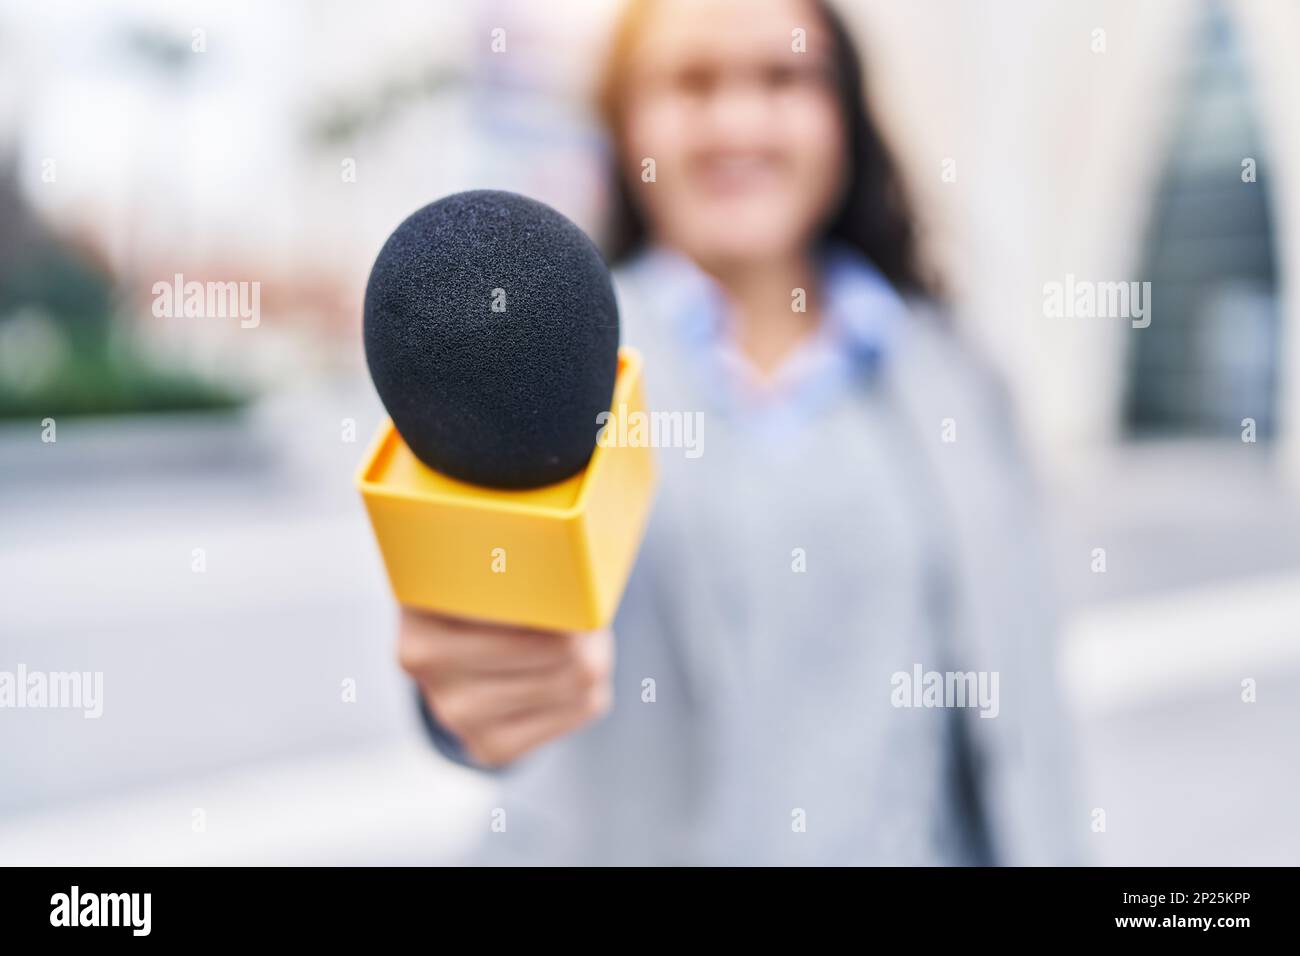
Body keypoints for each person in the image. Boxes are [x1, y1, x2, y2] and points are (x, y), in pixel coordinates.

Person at [397, 0, 1080, 865]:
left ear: (843, 113)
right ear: (624, 124)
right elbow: (478, 620)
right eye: (690, 82)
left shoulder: (956, 375)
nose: (737, 120)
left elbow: (1026, 710)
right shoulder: (552, 368)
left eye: (783, 76)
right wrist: (473, 690)